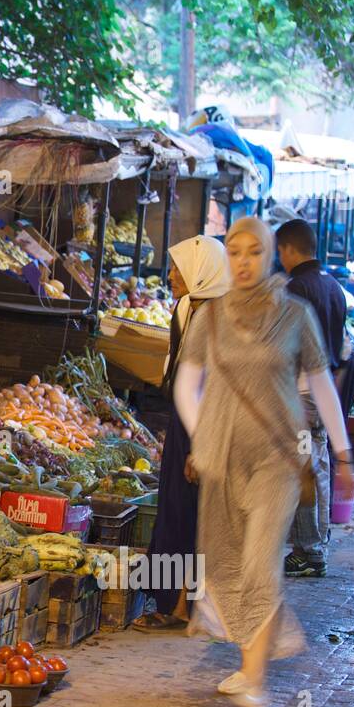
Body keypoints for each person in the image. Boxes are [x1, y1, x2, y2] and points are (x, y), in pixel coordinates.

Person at [173, 217, 354, 707]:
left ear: (272, 254)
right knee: (228, 565)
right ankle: (246, 660)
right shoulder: (209, 318)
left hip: (277, 459)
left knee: (260, 562)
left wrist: (342, 454)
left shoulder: (295, 316)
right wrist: (201, 436)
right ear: (227, 258)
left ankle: (256, 679)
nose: (245, 261)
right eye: (235, 252)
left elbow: (321, 386)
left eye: (255, 252)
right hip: (224, 461)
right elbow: (186, 385)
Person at [132, 236, 231, 631]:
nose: (172, 276)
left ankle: (186, 608)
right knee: (174, 511)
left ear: (202, 274)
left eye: (180, 271)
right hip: (182, 423)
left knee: (199, 516)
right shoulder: (186, 308)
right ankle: (172, 603)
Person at [275, 219, 352, 578]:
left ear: (289, 250)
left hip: (301, 399)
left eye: (279, 250)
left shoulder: (295, 289)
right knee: (316, 467)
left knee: (303, 470)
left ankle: (308, 552)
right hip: (321, 398)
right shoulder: (334, 288)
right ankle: (316, 543)